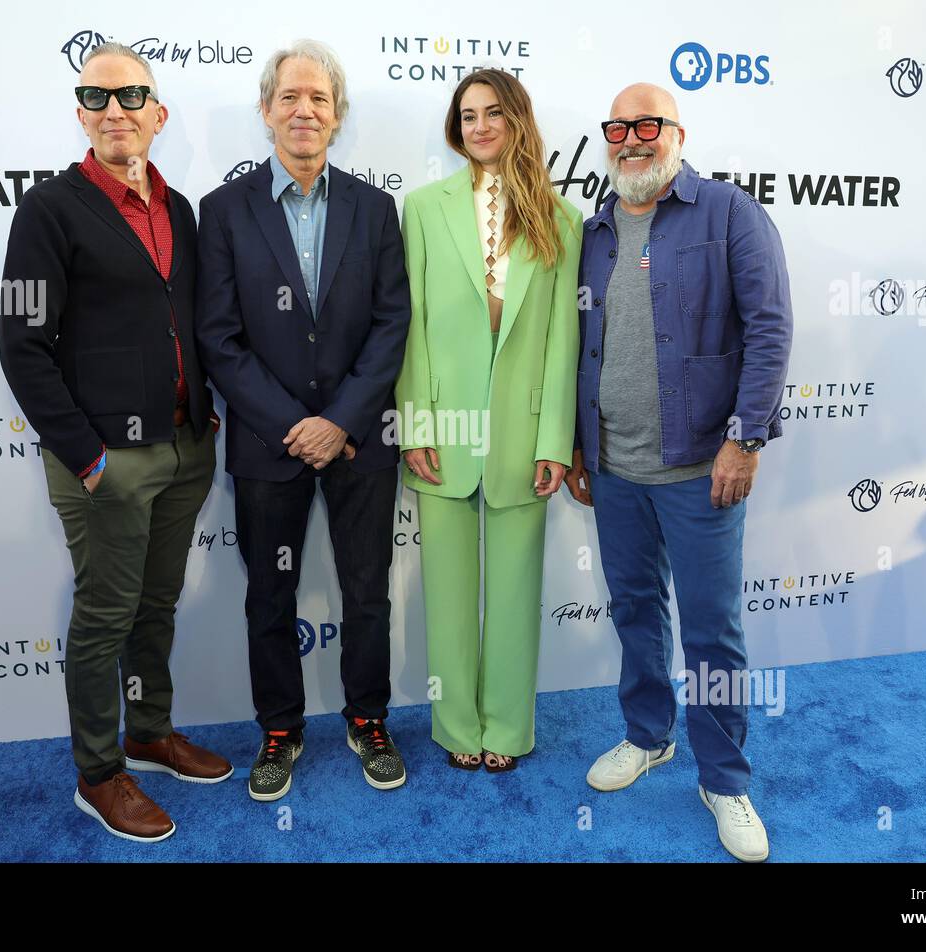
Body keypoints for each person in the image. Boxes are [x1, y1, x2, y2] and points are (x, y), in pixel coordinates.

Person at [0, 42, 230, 844]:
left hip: (185, 446)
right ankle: (100, 774)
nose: (115, 110)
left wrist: (205, 414)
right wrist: (87, 456)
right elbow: (22, 345)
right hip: (105, 461)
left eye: (132, 95)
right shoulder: (47, 211)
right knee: (105, 615)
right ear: (81, 116)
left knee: (155, 606)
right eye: (97, 98)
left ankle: (149, 733)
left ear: (158, 115)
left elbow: (191, 323)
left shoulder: (181, 209)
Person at [564, 83, 793, 862]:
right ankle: (648, 734)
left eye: (647, 125)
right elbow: (575, 349)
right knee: (634, 609)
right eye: (618, 128)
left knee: (713, 631)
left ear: (678, 132)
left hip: (703, 467)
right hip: (614, 467)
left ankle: (725, 779)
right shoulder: (592, 229)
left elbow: (770, 326)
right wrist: (575, 445)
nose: (632, 139)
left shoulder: (730, 212)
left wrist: (745, 439)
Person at [195, 40, 411, 801]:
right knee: (268, 598)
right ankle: (280, 731)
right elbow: (218, 337)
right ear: (267, 111)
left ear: (337, 114)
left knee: (367, 591)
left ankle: (368, 720)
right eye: (290, 97)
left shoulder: (376, 209)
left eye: (318, 99)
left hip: (360, 443)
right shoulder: (221, 213)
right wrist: (296, 424)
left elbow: (392, 326)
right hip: (267, 442)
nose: (304, 110)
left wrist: (341, 421)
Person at [396, 69, 581, 772]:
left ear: (517, 119)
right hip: (441, 429)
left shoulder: (559, 218)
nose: (478, 126)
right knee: (446, 595)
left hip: (522, 432)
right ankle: (455, 728)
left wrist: (554, 439)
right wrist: (413, 424)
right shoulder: (423, 208)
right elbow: (409, 325)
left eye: (492, 113)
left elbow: (562, 339)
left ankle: (506, 728)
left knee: (513, 592)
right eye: (467, 115)